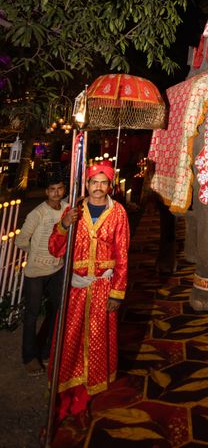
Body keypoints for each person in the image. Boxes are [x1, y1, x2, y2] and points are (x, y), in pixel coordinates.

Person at [48, 159, 130, 425]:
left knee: (96, 345)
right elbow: (55, 248)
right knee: (68, 343)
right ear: (86, 184)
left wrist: (117, 293)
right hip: (75, 290)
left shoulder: (118, 213)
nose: (98, 187)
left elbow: (122, 255)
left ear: (110, 185)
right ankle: (62, 401)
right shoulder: (74, 212)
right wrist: (63, 226)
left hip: (103, 291)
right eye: (94, 182)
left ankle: (84, 402)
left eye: (103, 183)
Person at [15, 177, 67, 376]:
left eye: (59, 188)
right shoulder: (37, 214)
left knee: (57, 310)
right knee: (32, 314)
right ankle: (29, 357)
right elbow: (20, 240)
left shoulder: (66, 208)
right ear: (46, 191)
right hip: (36, 271)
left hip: (57, 269)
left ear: (63, 190)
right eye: (52, 189)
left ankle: (48, 351)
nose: (56, 192)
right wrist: (35, 252)